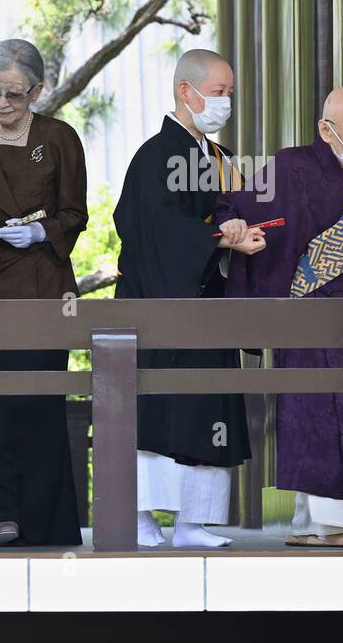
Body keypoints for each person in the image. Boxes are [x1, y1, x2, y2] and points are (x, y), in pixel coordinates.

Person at [215, 85, 343, 547]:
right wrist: (236, 231)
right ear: (326, 129)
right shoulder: (291, 166)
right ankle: (331, 520)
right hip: (310, 310)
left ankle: (320, 523)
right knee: (313, 412)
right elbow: (238, 212)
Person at [114, 48, 267, 548]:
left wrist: (246, 233)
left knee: (208, 411)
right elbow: (152, 231)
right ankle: (138, 518)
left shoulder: (218, 159)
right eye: (219, 93)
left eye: (229, 94)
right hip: (159, 305)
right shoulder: (153, 157)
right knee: (154, 412)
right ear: (187, 91)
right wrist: (219, 238)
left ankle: (192, 523)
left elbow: (234, 210)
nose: (226, 103)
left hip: (209, 303)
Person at [0, 39, 87, 548]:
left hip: (42, 284)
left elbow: (75, 213)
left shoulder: (59, 138)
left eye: (15, 95)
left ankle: (44, 518)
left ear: (37, 90)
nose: (3, 106)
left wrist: (42, 232)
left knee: (40, 400)